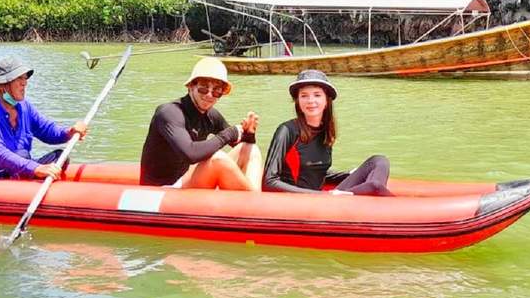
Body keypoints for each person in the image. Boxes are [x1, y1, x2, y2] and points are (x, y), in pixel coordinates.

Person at [262, 70, 394, 196]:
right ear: (297, 101)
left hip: (327, 199)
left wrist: (347, 175)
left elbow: (317, 174)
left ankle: (356, 195)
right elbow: (269, 182)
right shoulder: (287, 131)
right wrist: (321, 195)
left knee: (379, 161)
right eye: (304, 96)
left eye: (317, 95)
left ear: (326, 101)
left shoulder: (325, 131)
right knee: (375, 187)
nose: (310, 101)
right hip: (303, 201)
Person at [139, 57, 263, 190]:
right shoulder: (169, 113)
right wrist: (228, 134)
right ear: (191, 86)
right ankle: (256, 205)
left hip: (186, 180)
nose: (209, 95)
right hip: (162, 190)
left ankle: (253, 201)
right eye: (203, 89)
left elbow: (237, 142)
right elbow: (190, 154)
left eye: (216, 91)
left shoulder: (211, 115)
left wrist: (249, 134)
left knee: (250, 149)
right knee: (218, 159)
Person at [0, 56, 88, 180]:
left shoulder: (24, 107)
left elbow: (47, 130)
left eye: (25, 78)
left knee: (60, 157)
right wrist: (35, 169)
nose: (25, 83)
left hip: (17, 165)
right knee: (22, 155)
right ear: (1, 85)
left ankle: (30, 180)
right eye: (18, 79)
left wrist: (69, 132)